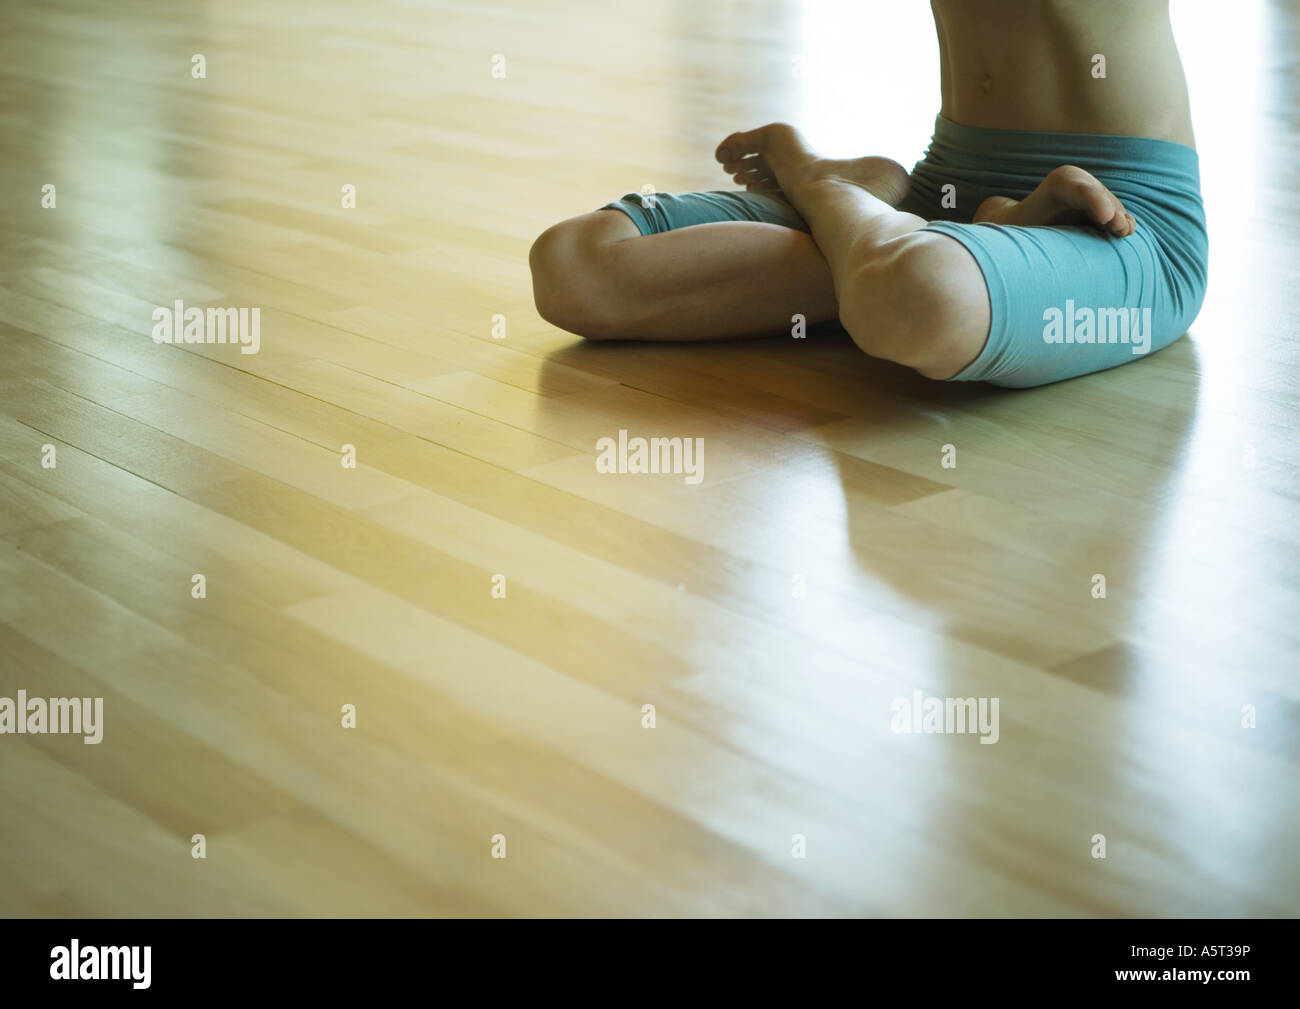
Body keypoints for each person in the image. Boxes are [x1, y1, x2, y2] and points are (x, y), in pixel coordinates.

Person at [528, 0, 1208, 389]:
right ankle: (897, 238)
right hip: (942, 186)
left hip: (1117, 218)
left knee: (923, 299)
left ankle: (835, 200)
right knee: (574, 266)